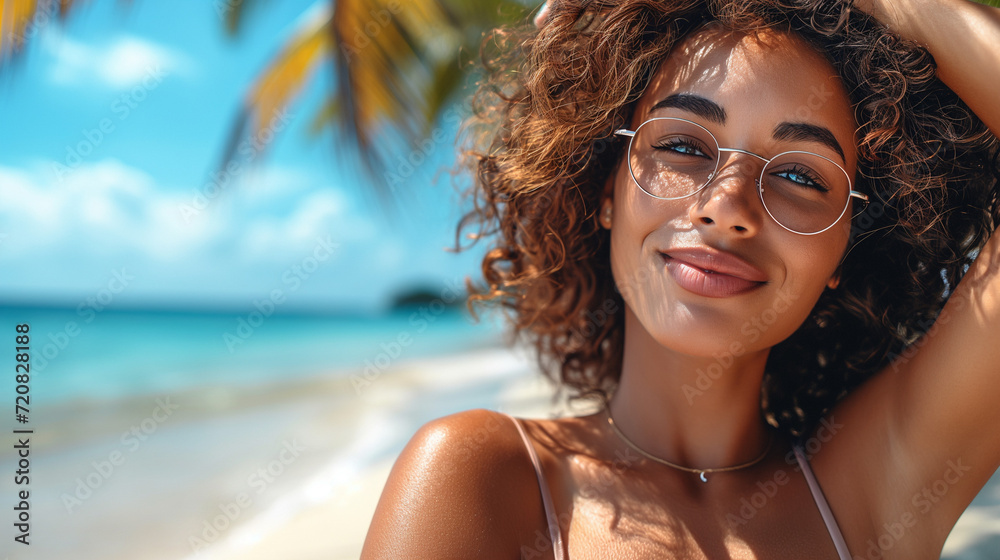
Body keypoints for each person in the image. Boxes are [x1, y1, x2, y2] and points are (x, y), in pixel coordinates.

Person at [361, 0, 1000, 558]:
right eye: (684, 146)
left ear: (845, 251)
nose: (726, 206)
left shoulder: (875, 489)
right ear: (605, 187)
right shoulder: (481, 477)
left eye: (802, 177)